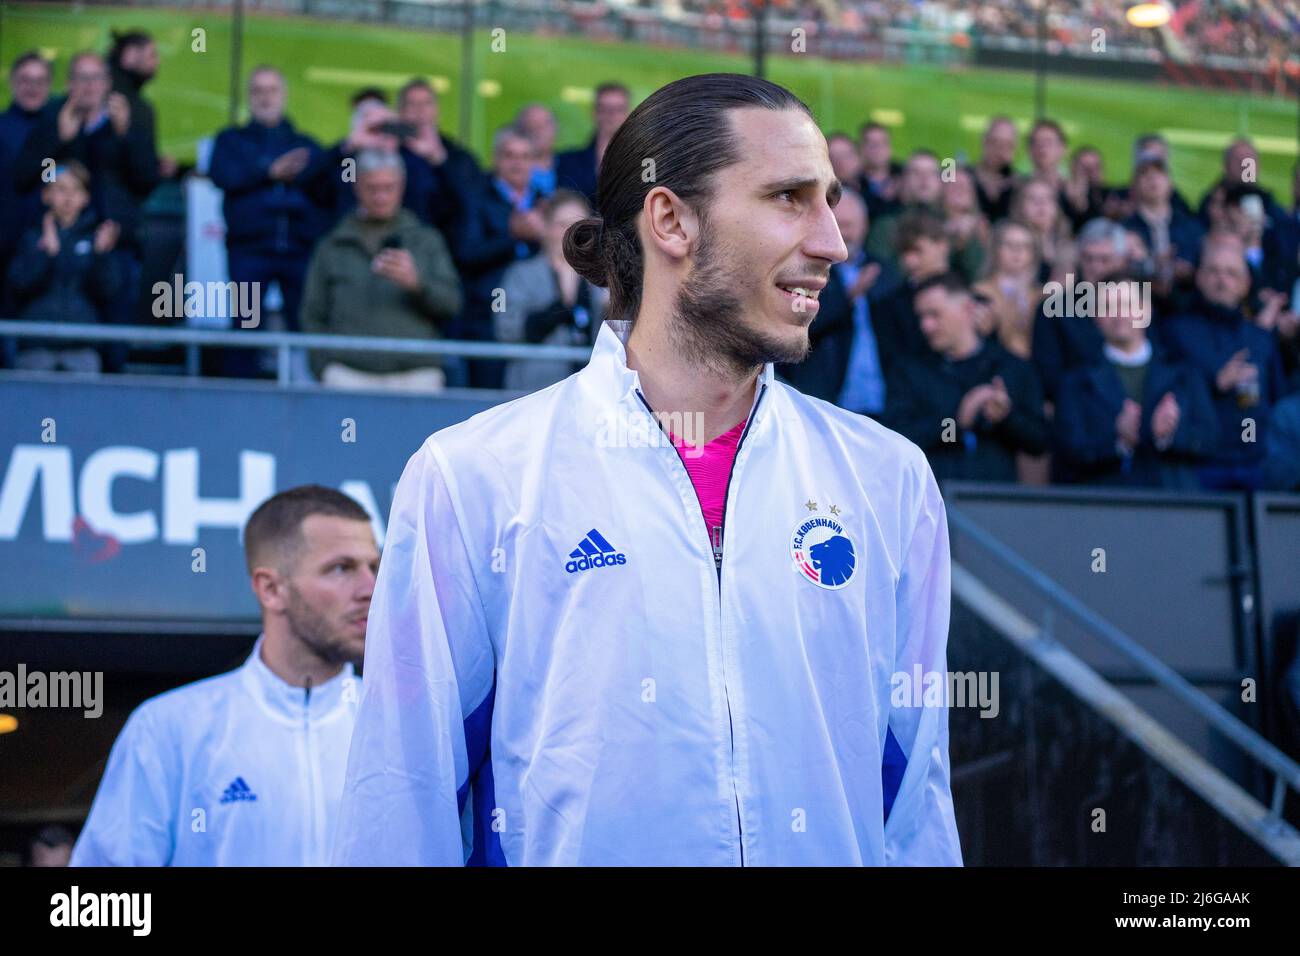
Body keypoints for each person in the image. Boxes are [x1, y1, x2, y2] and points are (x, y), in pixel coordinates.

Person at [334, 73, 962, 867]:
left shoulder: (889, 480)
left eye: (830, 201)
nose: (832, 241)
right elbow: (399, 801)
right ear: (671, 218)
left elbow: (915, 805)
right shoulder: (476, 476)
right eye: (789, 198)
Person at [70, 485, 376, 866]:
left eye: (375, 567)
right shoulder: (169, 728)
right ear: (271, 589)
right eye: (341, 568)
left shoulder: (400, 727)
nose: (370, 588)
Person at [299, 150, 462, 391]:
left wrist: (418, 284)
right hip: (346, 374)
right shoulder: (332, 244)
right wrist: (324, 367)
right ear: (356, 186)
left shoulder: (426, 240)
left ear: (402, 186)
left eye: (389, 187)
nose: (381, 196)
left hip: (416, 374)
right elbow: (312, 314)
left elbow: (452, 305)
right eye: (372, 188)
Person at [208, 66, 324, 376]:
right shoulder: (230, 141)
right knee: (245, 327)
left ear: (284, 95)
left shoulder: (306, 145)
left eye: (271, 90)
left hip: (298, 251)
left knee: (304, 326)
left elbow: (327, 188)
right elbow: (223, 175)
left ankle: (306, 397)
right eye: (258, 90)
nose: (265, 97)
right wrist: (269, 172)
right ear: (249, 96)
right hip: (249, 251)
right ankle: (238, 400)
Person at [1054, 274, 1218, 488]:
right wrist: (1118, 442)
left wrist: (1168, 436)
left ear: (1146, 311)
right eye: (1108, 306)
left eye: (1127, 304)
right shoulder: (1075, 382)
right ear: (1095, 316)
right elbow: (1068, 452)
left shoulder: (1185, 374)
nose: (1119, 315)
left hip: (1174, 503)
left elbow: (1210, 440)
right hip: (1107, 505)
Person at [883, 272, 1049, 482]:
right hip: (934, 501)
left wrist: (1006, 418)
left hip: (996, 501)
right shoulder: (910, 371)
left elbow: (1038, 443)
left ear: (968, 309)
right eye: (921, 317)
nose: (926, 326)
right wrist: (955, 423)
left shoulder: (1010, 368)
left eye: (935, 315)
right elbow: (898, 438)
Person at [1163, 238, 1287, 490]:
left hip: (1256, 463)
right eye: (1213, 271)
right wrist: (1215, 383)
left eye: (1231, 273)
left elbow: (1276, 399)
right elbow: (1164, 392)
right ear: (1198, 277)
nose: (1222, 281)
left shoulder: (1260, 338)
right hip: (1201, 463)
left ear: (1245, 284)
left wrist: (1256, 441)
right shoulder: (1175, 331)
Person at [777, 187, 892, 411]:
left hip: (883, 402)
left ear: (865, 225)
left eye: (850, 225)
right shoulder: (804, 270)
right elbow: (798, 324)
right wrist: (849, 296)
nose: (844, 234)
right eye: (839, 225)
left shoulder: (883, 272)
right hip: (826, 400)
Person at [448, 126, 545, 388]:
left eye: (525, 156)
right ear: (496, 159)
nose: (517, 163)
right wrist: (512, 236)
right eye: (509, 155)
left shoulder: (547, 203)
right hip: (486, 320)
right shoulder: (474, 198)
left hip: (537, 322)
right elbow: (465, 254)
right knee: (488, 408)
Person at [6, 160, 121, 372]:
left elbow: (108, 291)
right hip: (36, 345)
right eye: (60, 189)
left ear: (86, 197)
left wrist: (100, 255)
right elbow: (18, 285)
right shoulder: (31, 237)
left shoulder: (96, 240)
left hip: (82, 346)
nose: (68, 196)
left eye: (75, 189)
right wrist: (45, 254)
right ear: (46, 195)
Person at [495, 188, 608, 392]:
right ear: (546, 228)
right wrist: (560, 306)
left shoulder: (600, 278)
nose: (571, 232)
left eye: (579, 225)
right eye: (562, 224)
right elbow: (506, 329)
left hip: (590, 392)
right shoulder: (520, 274)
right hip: (534, 389)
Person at [0, 53, 54, 305]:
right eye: (25, 80)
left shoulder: (60, 131)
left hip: (46, 244)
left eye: (40, 81)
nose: (32, 88)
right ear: (12, 82)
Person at [555, 82, 630, 203]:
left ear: (627, 114)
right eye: (605, 109)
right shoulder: (567, 161)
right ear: (594, 112)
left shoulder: (643, 161)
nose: (611, 115)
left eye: (618, 109)